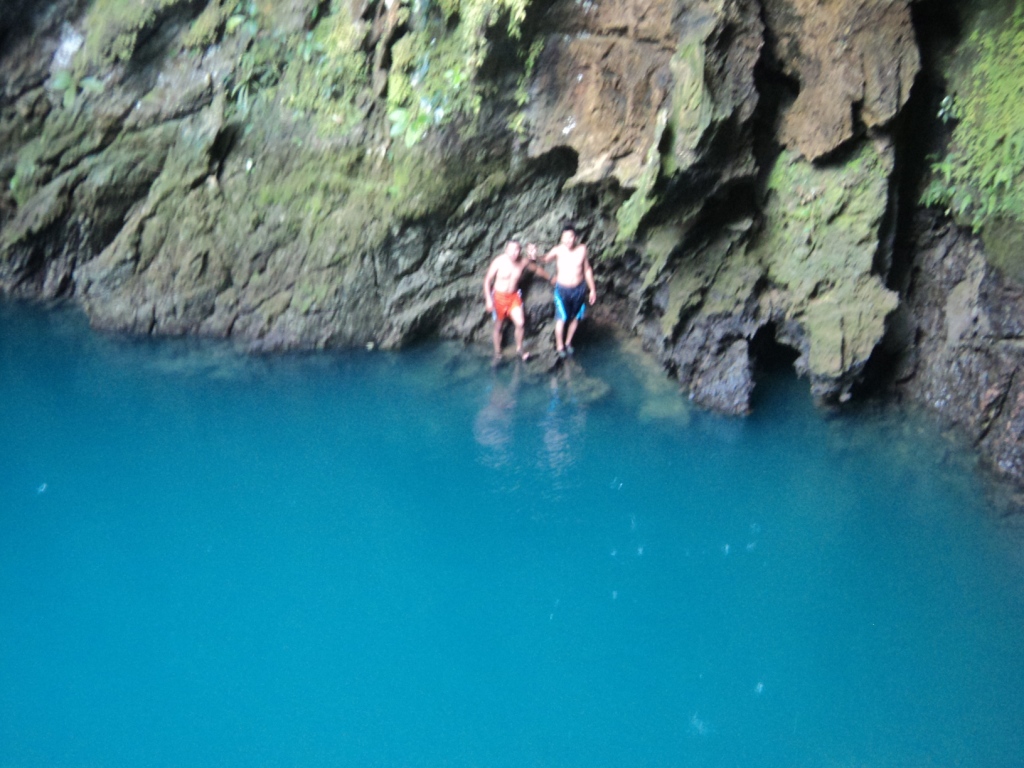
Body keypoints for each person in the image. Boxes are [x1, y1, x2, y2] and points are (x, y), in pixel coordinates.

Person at [483, 240, 554, 362]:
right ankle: (497, 353)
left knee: (520, 323)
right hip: (499, 297)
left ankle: (520, 349)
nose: (514, 253)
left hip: (513, 296)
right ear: (506, 250)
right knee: (498, 326)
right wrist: (489, 300)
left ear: (520, 251)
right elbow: (487, 281)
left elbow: (536, 269)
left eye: (516, 250)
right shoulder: (499, 261)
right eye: (511, 250)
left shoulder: (523, 262)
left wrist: (551, 278)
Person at [537, 224, 597, 357]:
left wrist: (592, 289)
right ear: (561, 238)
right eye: (565, 238)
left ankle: (568, 342)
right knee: (562, 318)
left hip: (579, 290)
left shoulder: (582, 249)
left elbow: (587, 270)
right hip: (562, 290)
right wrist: (535, 256)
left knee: (576, 318)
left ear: (575, 238)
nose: (567, 240)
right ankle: (560, 346)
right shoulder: (558, 250)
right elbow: (545, 259)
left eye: (570, 237)